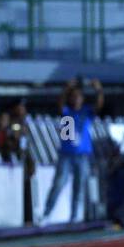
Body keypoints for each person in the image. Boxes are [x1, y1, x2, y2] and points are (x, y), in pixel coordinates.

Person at [43, 77, 103, 222]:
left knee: (79, 186)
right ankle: (46, 214)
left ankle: (75, 216)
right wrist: (66, 88)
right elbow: (60, 104)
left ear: (82, 99)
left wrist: (98, 89)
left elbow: (99, 105)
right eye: (73, 96)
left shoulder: (86, 112)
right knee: (58, 184)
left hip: (82, 155)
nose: (76, 99)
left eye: (78, 97)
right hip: (66, 154)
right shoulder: (67, 112)